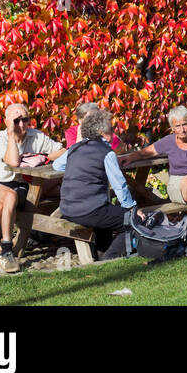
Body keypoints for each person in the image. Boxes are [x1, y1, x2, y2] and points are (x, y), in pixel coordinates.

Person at [0, 102, 65, 273]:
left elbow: (62, 151)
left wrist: (43, 156)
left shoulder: (36, 137)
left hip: (19, 183)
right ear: (7, 122)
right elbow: (13, 162)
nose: (21, 125)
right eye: (16, 121)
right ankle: (5, 248)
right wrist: (11, 134)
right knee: (3, 202)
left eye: (25, 120)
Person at [54, 108, 144, 260]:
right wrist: (133, 209)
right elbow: (119, 186)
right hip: (89, 210)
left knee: (108, 213)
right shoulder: (106, 153)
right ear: (101, 132)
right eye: (111, 128)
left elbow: (57, 165)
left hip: (67, 208)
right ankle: (109, 259)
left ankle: (101, 254)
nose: (114, 132)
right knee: (135, 220)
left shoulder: (75, 148)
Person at [125, 105, 187, 238]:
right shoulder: (169, 141)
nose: (182, 130)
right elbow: (145, 153)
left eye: (184, 124)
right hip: (178, 184)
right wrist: (128, 158)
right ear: (172, 128)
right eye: (177, 126)